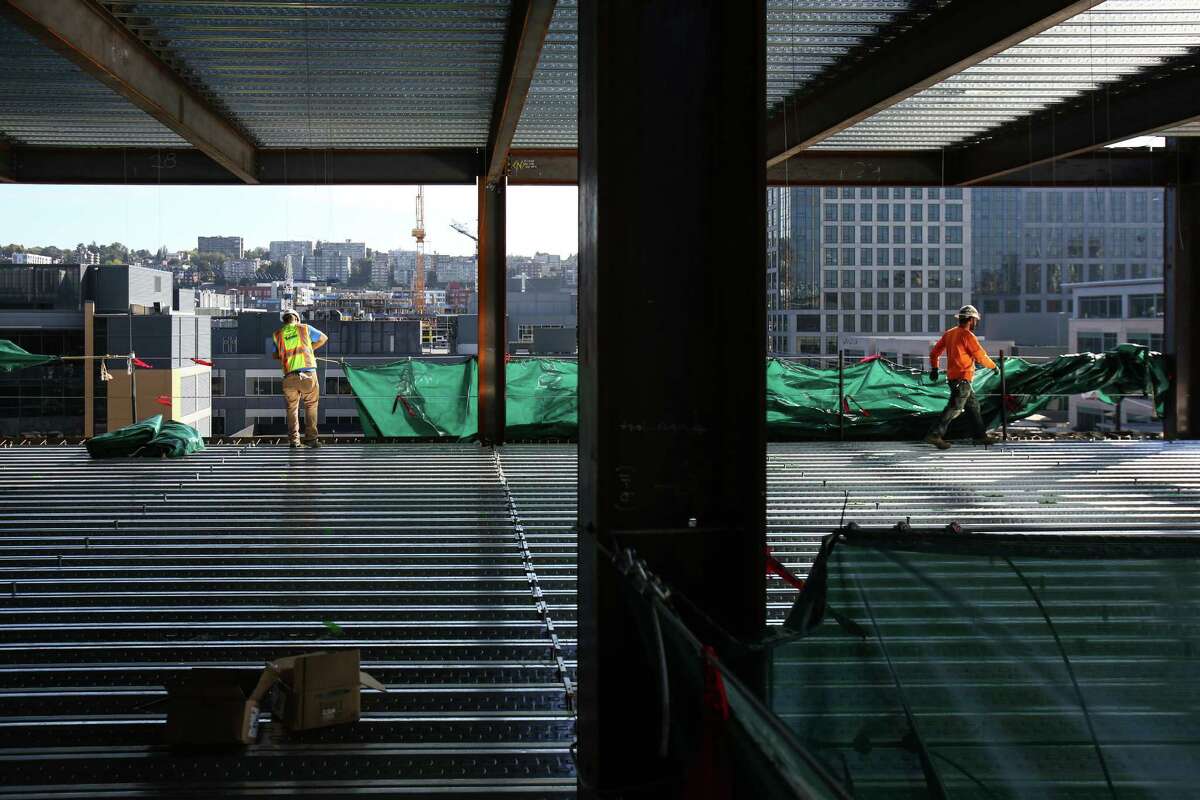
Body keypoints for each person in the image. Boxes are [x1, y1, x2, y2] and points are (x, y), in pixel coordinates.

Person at [924, 305, 997, 450]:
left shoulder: (949, 334)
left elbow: (934, 352)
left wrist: (934, 368)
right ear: (970, 319)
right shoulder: (967, 335)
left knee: (973, 406)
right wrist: (993, 367)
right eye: (975, 320)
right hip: (962, 378)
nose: (976, 323)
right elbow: (980, 356)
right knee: (955, 407)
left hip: (953, 378)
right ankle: (934, 434)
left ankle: (980, 436)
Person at [272, 309, 328, 448]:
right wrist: (310, 349)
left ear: (284, 320)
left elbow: (276, 355)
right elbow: (323, 338)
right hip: (308, 374)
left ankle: (294, 441)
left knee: (292, 409)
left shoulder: (277, 335)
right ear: (297, 319)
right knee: (311, 406)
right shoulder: (304, 328)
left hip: (289, 377)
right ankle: (311, 440)